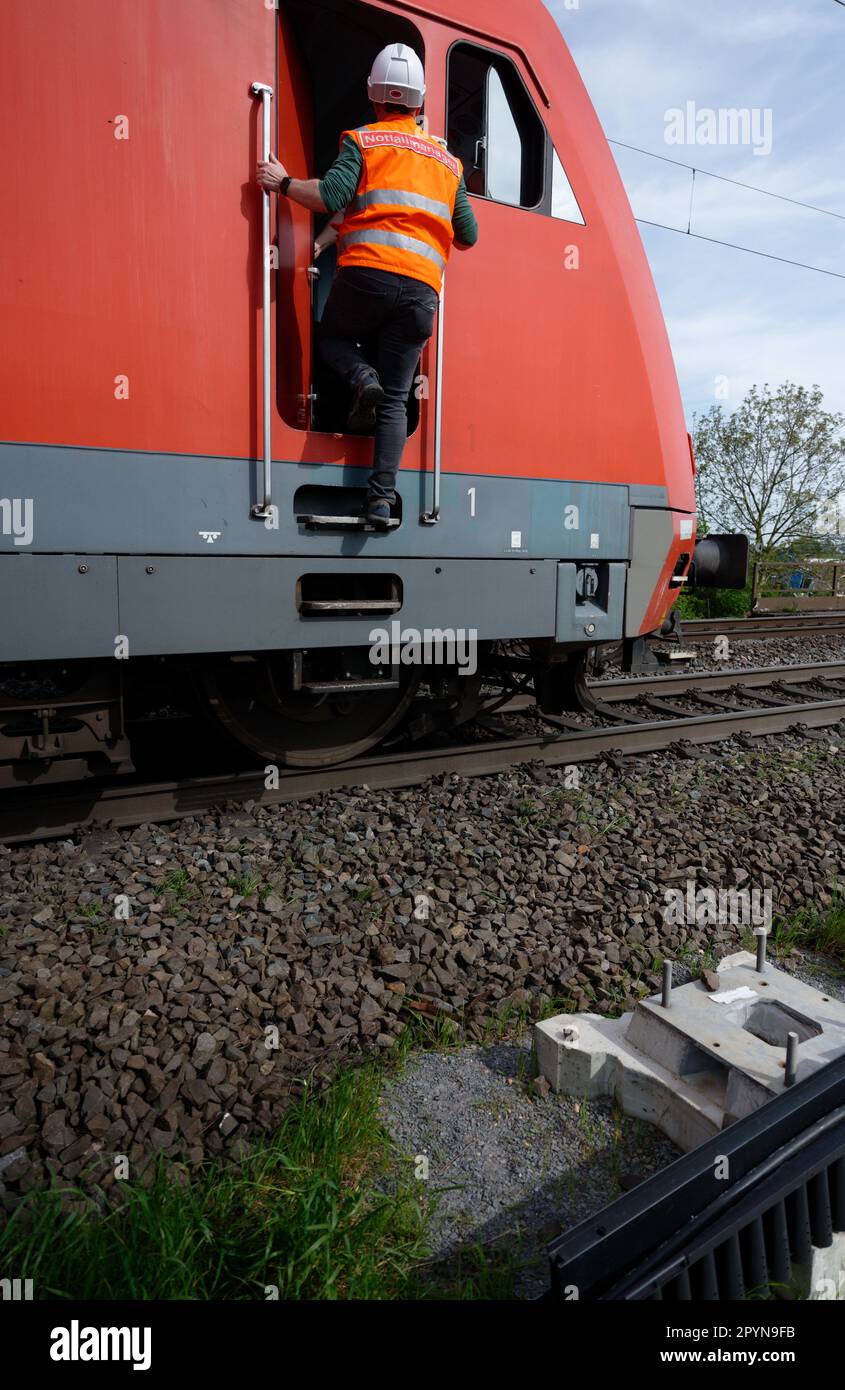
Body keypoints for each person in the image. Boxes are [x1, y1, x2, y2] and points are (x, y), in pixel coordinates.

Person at [256, 43, 478, 527]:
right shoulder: (448, 162)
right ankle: (380, 501)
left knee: (334, 338)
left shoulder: (364, 141)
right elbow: (469, 236)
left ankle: (361, 377)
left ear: (375, 98)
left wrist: (283, 182)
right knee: (398, 398)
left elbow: (333, 196)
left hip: (366, 277)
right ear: (419, 103)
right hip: (421, 293)